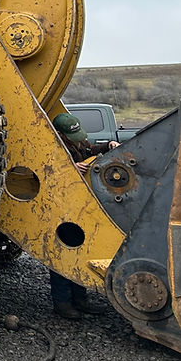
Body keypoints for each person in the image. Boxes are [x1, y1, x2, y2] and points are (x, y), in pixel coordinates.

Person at [48, 112, 119, 319]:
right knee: (63, 254)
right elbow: (46, 172)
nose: (79, 139)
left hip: (80, 207)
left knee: (80, 251)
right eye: (73, 136)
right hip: (61, 210)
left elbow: (90, 149)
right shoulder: (52, 148)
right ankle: (62, 303)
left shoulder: (79, 141)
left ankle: (80, 299)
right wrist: (69, 169)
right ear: (60, 134)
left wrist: (107, 146)